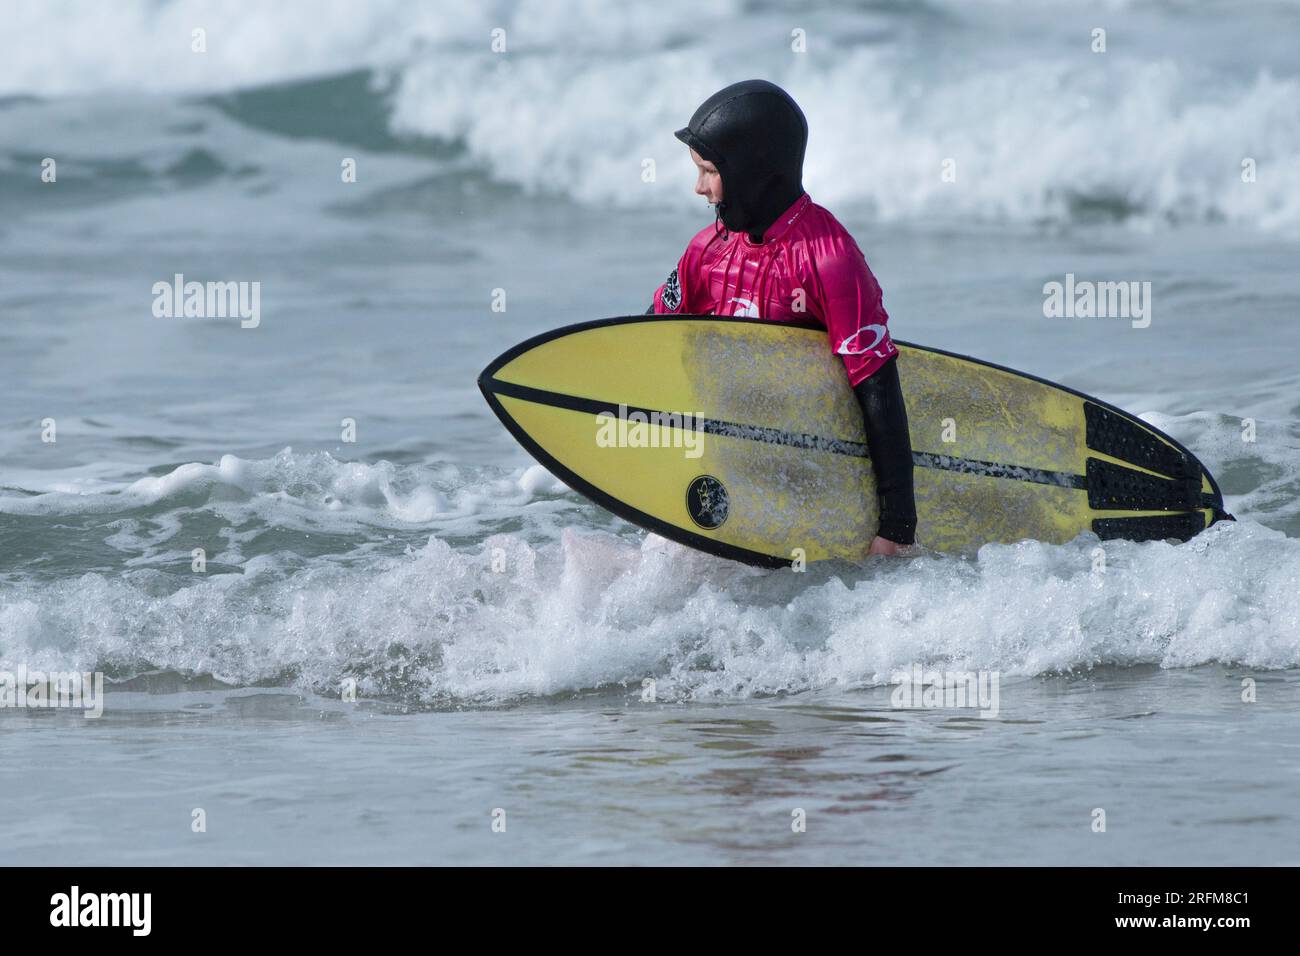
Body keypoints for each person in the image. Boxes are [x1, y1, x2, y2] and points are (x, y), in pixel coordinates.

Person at [649, 79, 917, 555]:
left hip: (803, 484)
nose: (699, 188)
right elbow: (648, 336)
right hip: (718, 476)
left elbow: (876, 387)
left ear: (752, 172)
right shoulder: (705, 252)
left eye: (710, 171)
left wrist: (896, 526)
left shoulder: (828, 259)